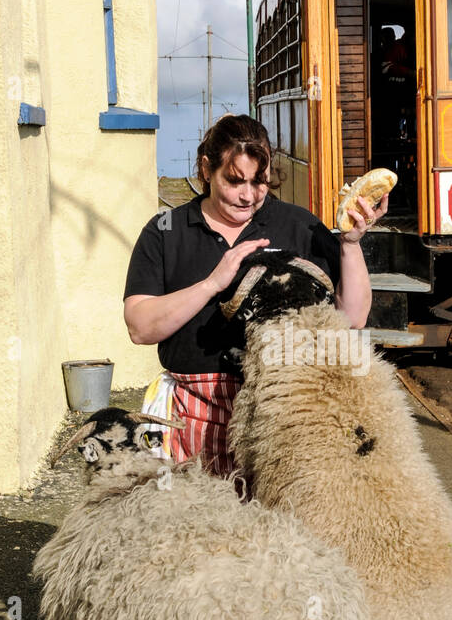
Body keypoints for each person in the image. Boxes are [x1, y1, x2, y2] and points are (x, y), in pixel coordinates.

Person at [123, 114, 388, 475]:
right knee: (197, 526)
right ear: (206, 169)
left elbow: (352, 318)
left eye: (259, 182)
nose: (248, 195)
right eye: (234, 181)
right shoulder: (166, 232)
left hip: (285, 415)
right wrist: (212, 284)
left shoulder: (299, 226)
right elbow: (140, 327)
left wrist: (352, 245)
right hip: (193, 417)